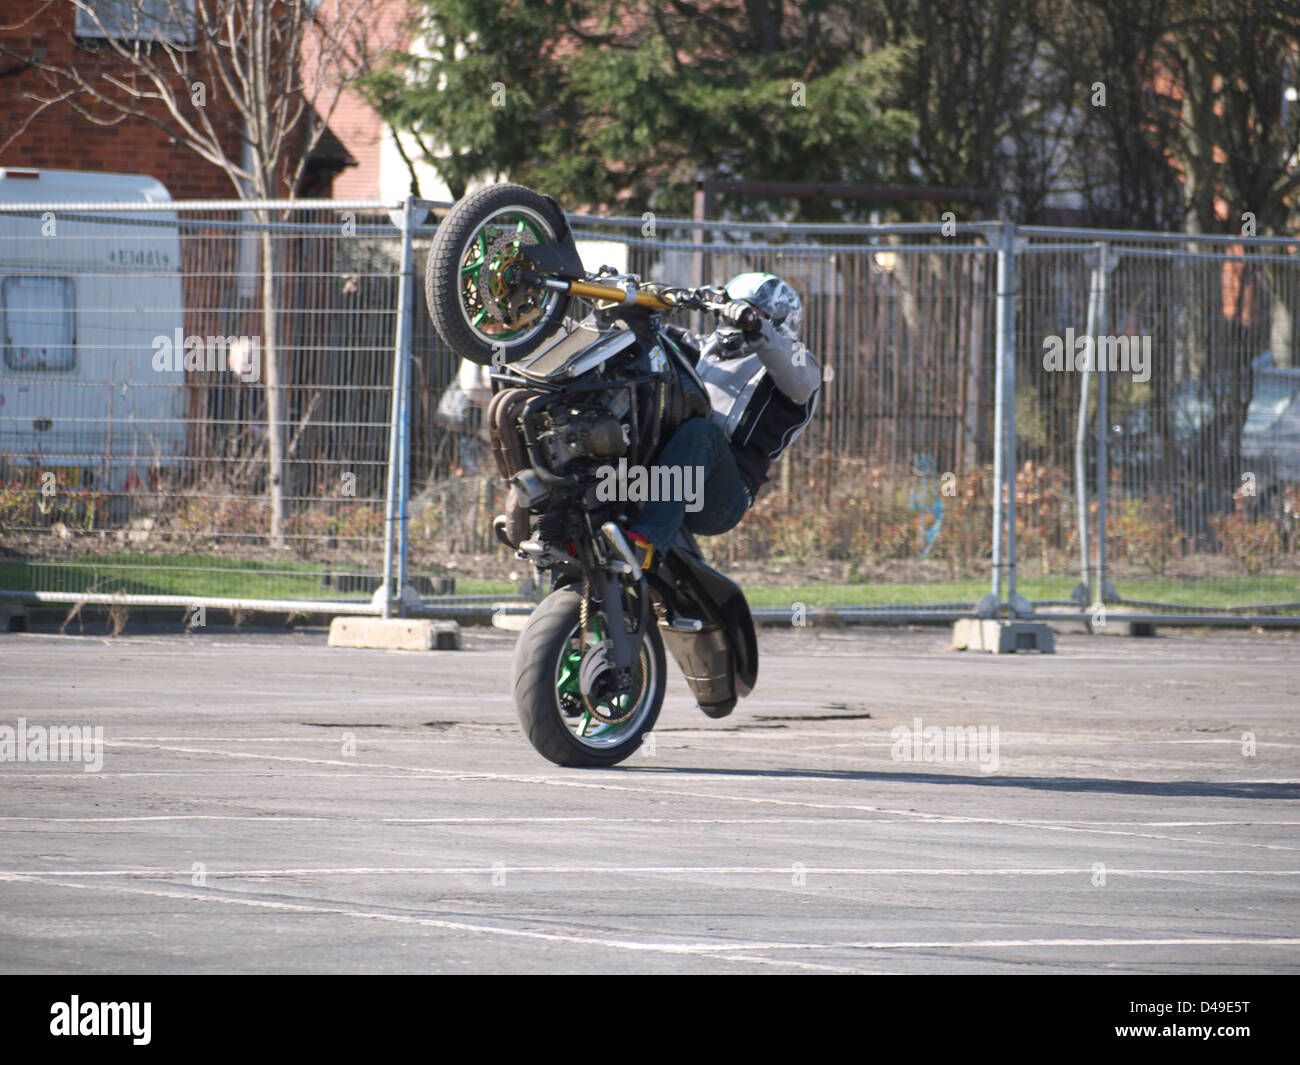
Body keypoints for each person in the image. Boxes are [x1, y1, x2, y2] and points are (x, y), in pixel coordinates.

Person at [625, 272, 821, 566]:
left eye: (750, 310)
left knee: (703, 433)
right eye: (733, 309)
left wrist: (757, 328)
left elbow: (800, 383)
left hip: (722, 496)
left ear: (778, 319)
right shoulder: (706, 349)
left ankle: (646, 544)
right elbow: (659, 337)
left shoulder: (797, 359)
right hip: (669, 476)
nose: (734, 319)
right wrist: (633, 305)